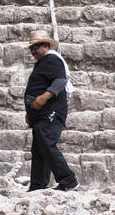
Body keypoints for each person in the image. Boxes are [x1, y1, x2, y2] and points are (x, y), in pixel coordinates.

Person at [24, 29, 78, 191]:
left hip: (51, 111)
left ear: (46, 45)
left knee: (46, 143)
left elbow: (60, 81)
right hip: (41, 114)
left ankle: (68, 180)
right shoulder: (44, 62)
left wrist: (43, 98)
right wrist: (30, 112)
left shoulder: (52, 60)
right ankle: (37, 185)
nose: (33, 51)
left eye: (36, 47)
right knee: (39, 147)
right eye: (31, 48)